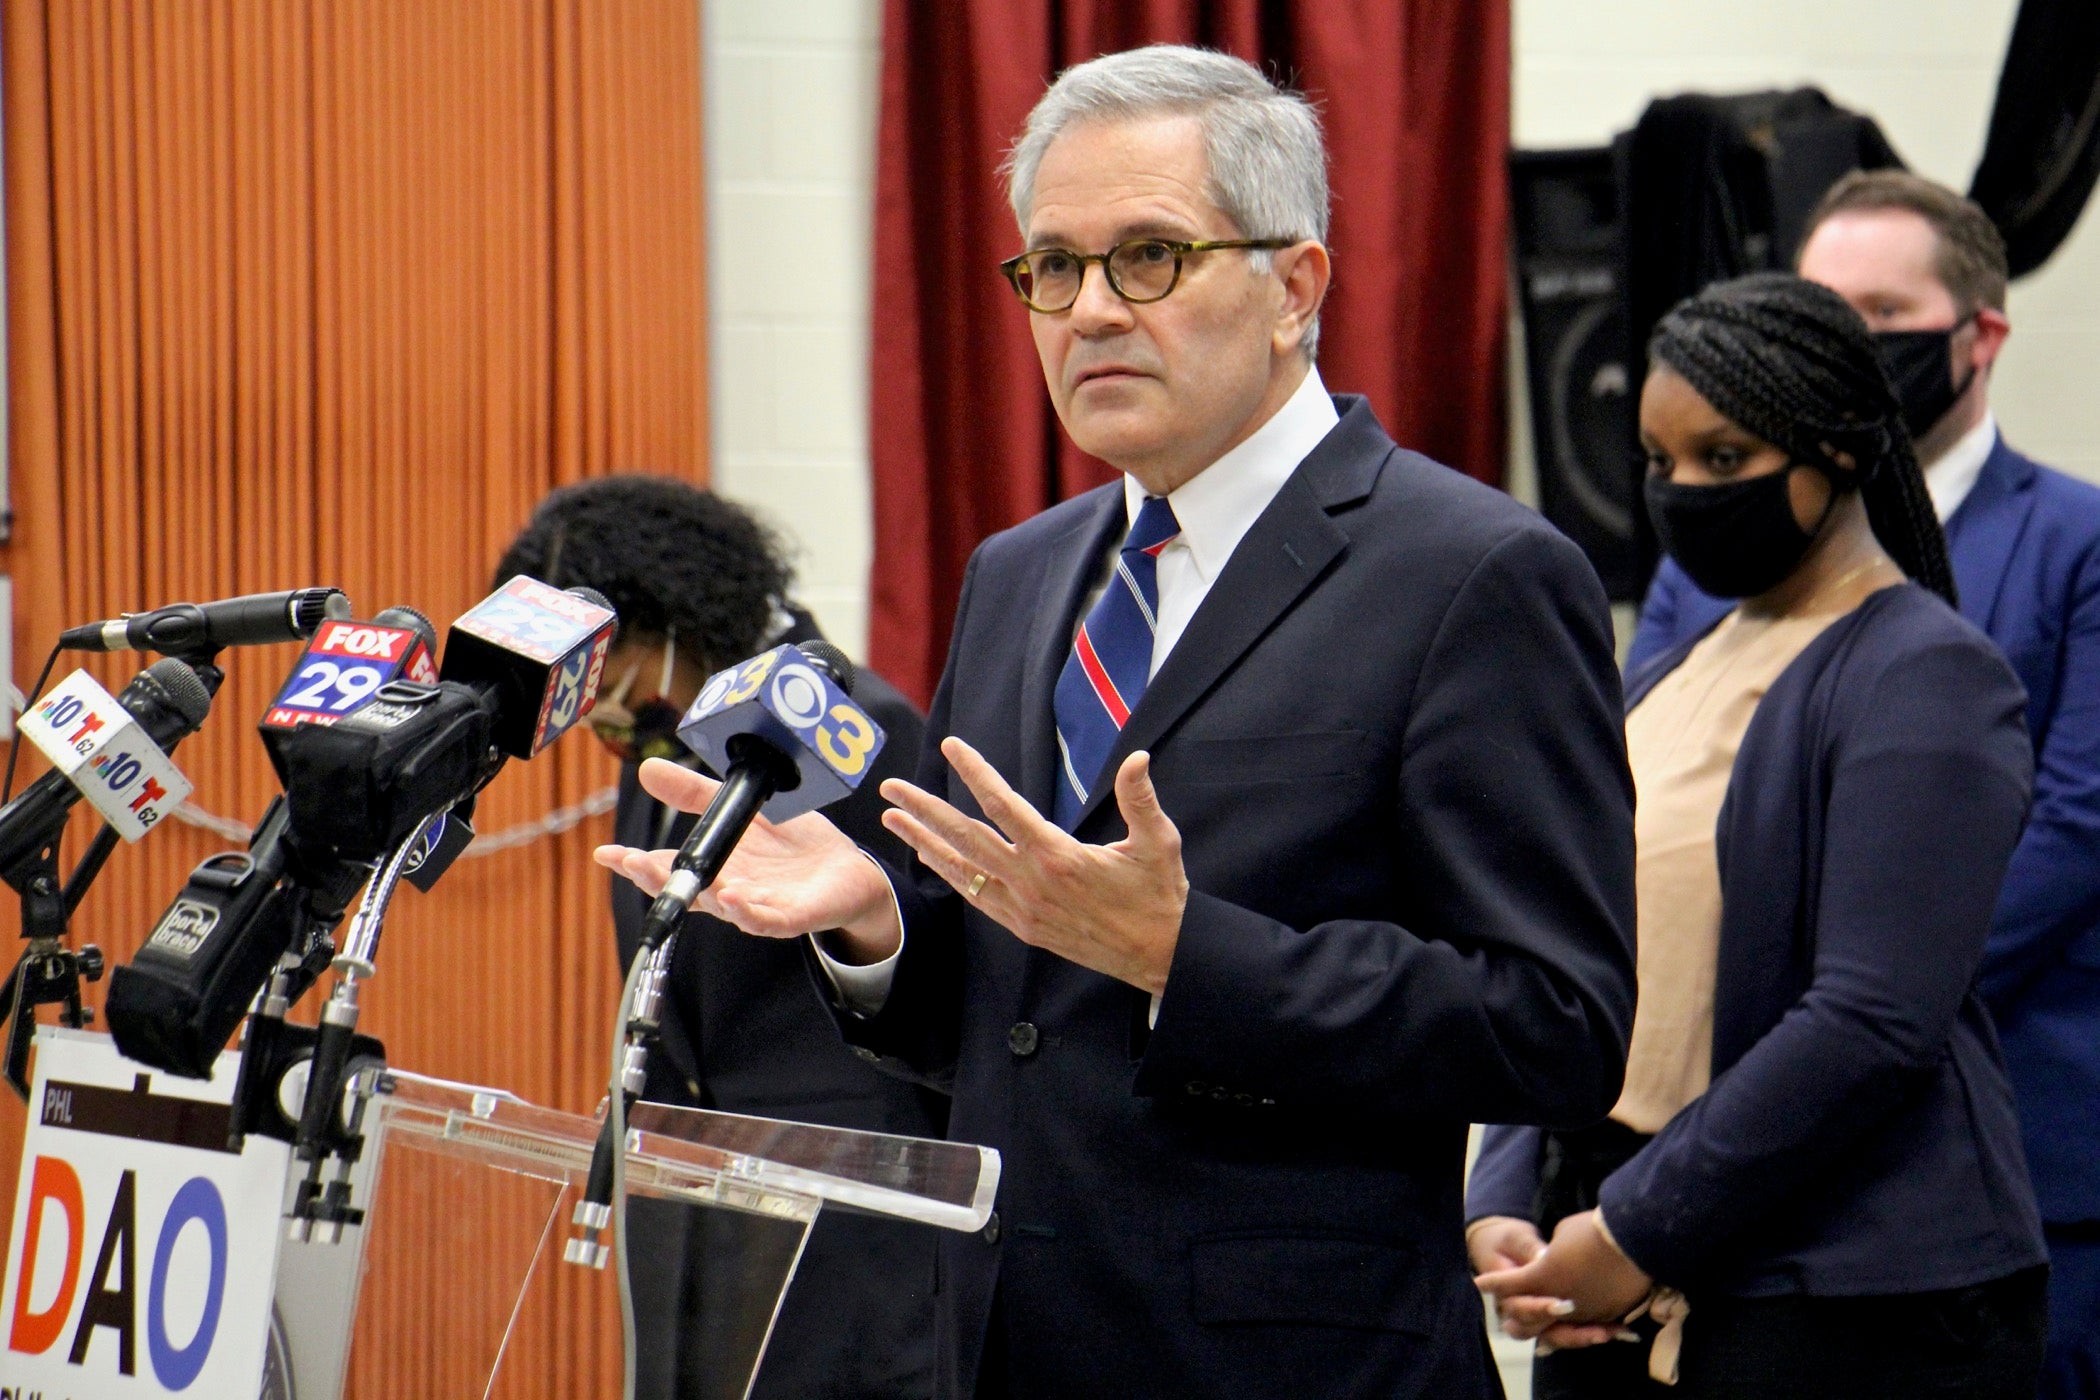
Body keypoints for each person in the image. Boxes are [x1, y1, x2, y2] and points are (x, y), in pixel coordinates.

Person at [598, 46, 1636, 1399]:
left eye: (1149, 257)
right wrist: (876, 927)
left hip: (1291, 1365)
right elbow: (1014, 1023)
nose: (1088, 311)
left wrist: (1185, 956)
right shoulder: (1020, 573)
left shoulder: (1473, 572)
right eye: (1054, 266)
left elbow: (1557, 1024)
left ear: (1294, 288)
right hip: (1005, 1351)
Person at [1470, 273, 2048, 1398]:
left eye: (1724, 458)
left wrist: (1635, 1228)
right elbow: (1564, 948)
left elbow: (1873, 1020)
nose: (1681, 492)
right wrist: (1508, 1195)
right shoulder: (1674, 666)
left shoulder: (1927, 673)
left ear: (1837, 452)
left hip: (1847, 1302)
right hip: (1611, 1271)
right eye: (1659, 459)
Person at [1627, 170, 2100, 1397]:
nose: (1840, 336)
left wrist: (1865, 976)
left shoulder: (2076, 542)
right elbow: (1646, 802)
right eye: (1821, 305)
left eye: (1880, 314)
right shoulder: (1714, 562)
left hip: (1985, 1150)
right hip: (1711, 1148)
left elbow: (2075, 826)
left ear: (1980, 335)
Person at [495, 474, 941, 1399]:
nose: (608, 722)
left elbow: (926, 986)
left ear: (685, 617)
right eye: (587, 703)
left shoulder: (862, 729)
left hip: (843, 1232)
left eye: (619, 682)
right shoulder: (668, 749)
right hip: (695, 1221)